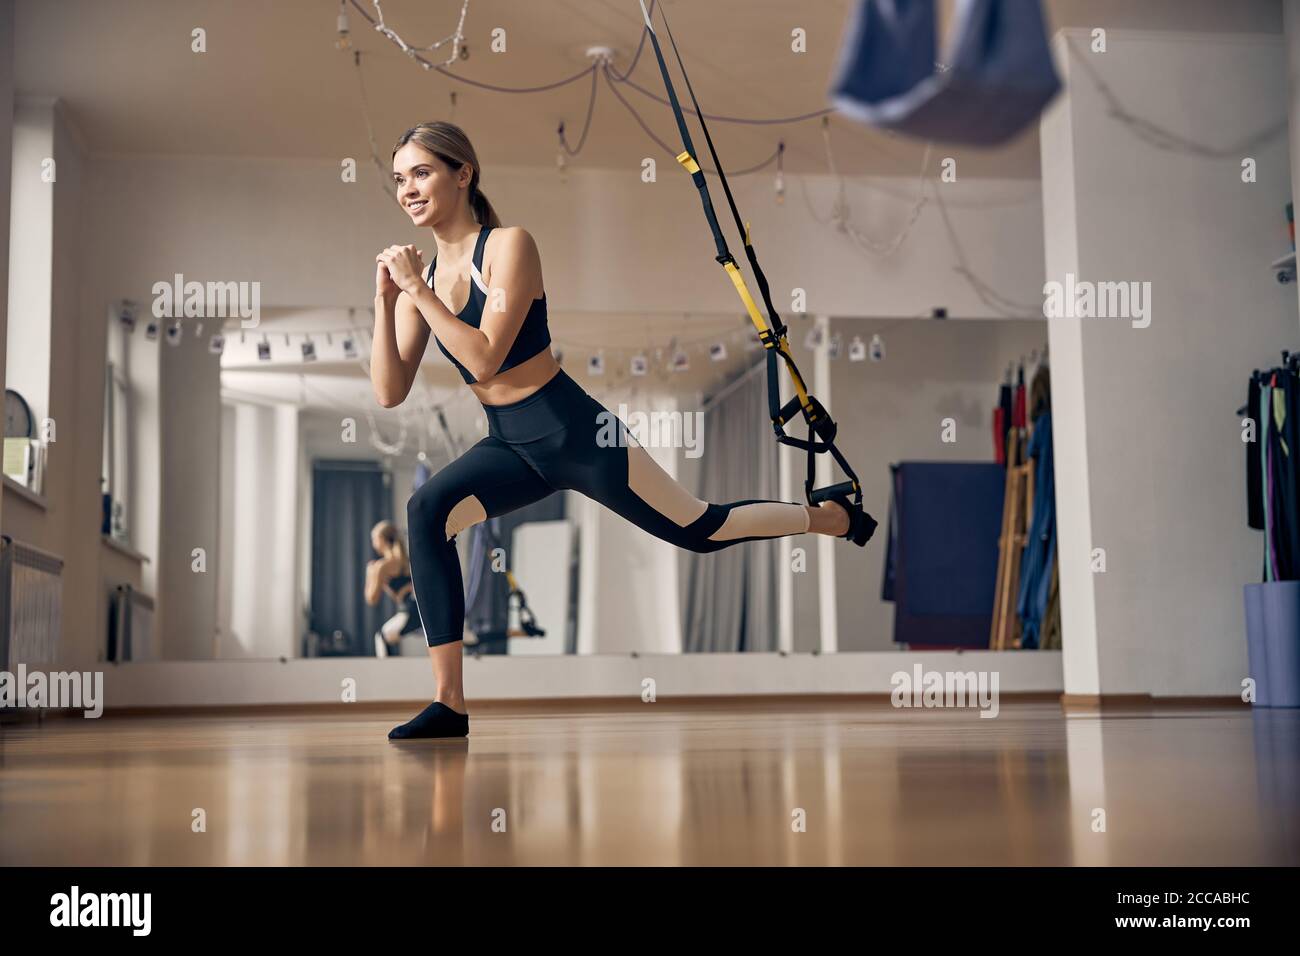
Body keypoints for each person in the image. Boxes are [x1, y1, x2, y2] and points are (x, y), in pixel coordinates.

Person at [373, 121, 868, 740]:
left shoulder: (507, 248)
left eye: (421, 173)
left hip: (577, 431)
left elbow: (483, 358)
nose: (408, 190)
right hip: (510, 443)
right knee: (427, 510)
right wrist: (385, 299)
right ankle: (450, 704)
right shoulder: (418, 286)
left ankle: (830, 517)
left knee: (702, 529)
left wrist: (417, 290)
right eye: (399, 179)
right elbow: (389, 392)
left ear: (463, 173)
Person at [364, 520, 423, 657]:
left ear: (382, 539)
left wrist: (370, 574)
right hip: (421, 608)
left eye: (374, 538)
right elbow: (399, 595)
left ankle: (385, 675)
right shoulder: (406, 561)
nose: (373, 542)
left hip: (409, 611)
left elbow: (372, 599)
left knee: (381, 638)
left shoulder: (381, 566)